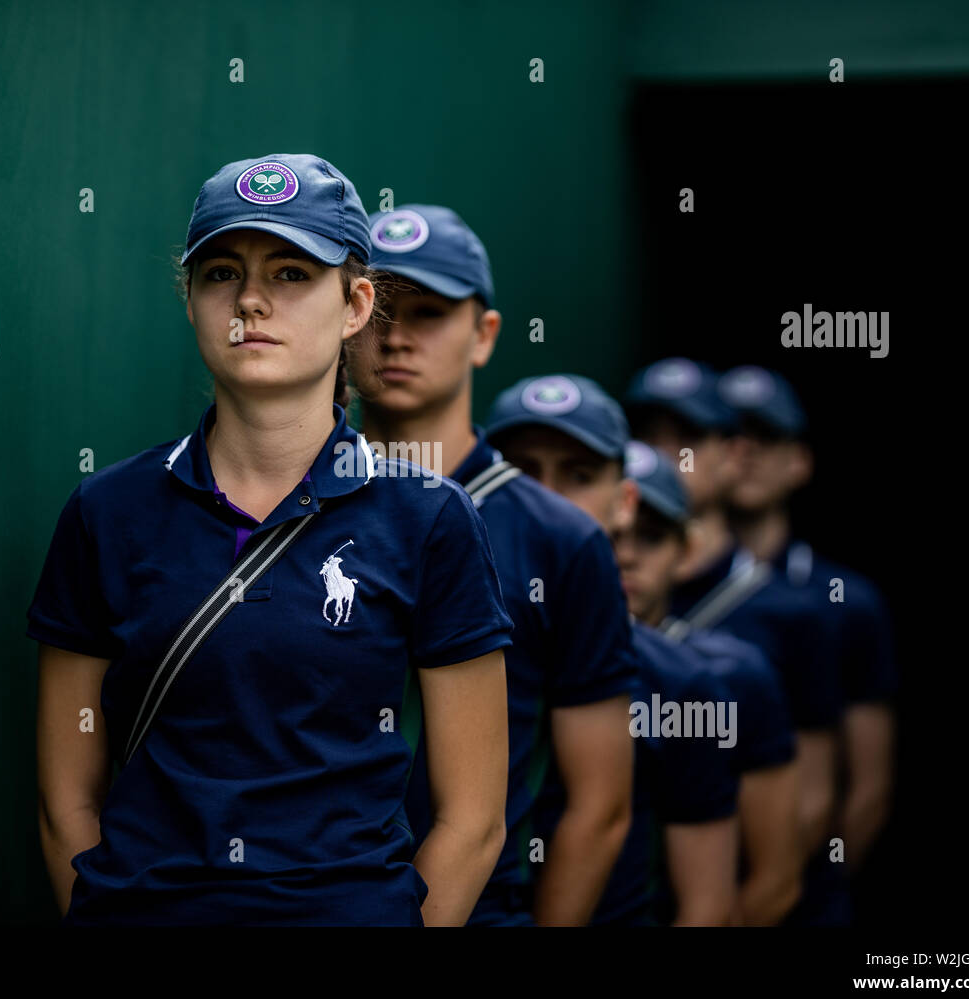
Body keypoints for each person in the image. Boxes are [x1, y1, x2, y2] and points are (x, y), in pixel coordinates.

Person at [27, 155, 515, 926]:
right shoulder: (105, 511)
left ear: (356, 304)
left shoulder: (430, 517)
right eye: (221, 272)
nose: (251, 299)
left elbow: (475, 818)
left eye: (292, 273)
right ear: (190, 300)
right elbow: (66, 799)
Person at [349, 205, 639, 926]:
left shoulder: (562, 538)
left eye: (429, 311)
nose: (396, 335)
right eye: (378, 307)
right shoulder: (288, 499)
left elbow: (599, 804)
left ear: (484, 335)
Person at [482, 379, 742, 925]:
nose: (544, 496)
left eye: (578, 475)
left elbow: (708, 906)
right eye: (520, 471)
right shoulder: (450, 642)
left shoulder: (684, 682)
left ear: (624, 501)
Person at [624, 358, 843, 894]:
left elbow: (812, 808)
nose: (663, 452)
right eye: (646, 433)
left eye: (688, 437)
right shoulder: (593, 596)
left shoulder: (791, 611)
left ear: (734, 453)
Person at [719, 364, 898, 923]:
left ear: (800, 462)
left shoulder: (848, 601)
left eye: (766, 437)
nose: (746, 451)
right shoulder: (653, 582)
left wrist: (807, 895)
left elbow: (866, 786)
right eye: (730, 435)